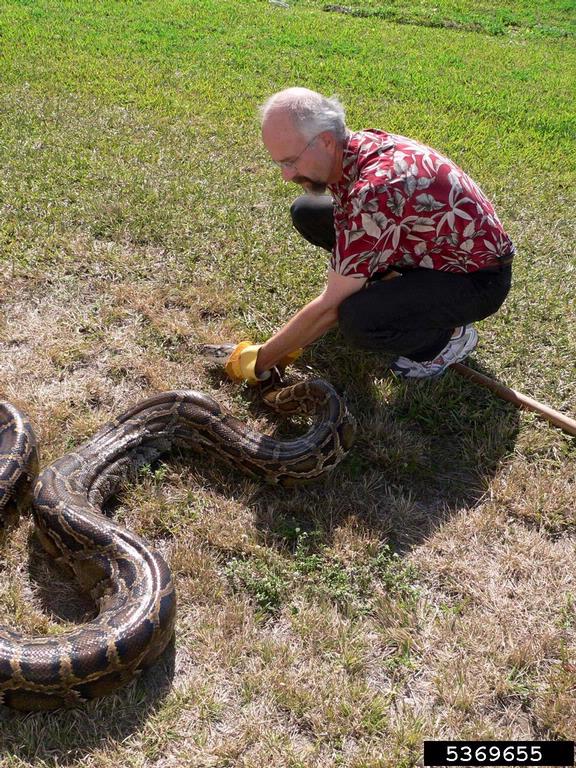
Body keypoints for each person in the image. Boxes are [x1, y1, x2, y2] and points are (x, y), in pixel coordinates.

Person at [224, 87, 514, 384]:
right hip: (426, 250)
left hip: (477, 280)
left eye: (290, 162)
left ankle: (447, 341)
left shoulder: (375, 192)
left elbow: (331, 307)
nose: (286, 175)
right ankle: (387, 289)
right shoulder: (354, 147)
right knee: (308, 211)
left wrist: (260, 361)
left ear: (324, 141)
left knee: (357, 318)